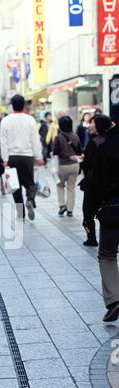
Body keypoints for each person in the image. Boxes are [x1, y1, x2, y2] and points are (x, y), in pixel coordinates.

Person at [92, 104, 119, 323]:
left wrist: (89, 214)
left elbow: (97, 184)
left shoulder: (106, 147)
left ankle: (114, 299)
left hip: (112, 209)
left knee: (108, 255)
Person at [0, 95, 44, 221]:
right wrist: (39, 157)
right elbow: (35, 140)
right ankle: (30, 200)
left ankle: (21, 213)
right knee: (30, 182)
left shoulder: (5, 121)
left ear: (11, 105)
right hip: (27, 156)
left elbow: (3, 142)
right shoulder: (30, 120)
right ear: (24, 105)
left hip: (12, 157)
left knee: (15, 185)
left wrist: (5, 159)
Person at [80, 114, 112, 247]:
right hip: (110, 185)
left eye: (92, 122)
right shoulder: (111, 140)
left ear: (98, 125)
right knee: (108, 213)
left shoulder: (94, 143)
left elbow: (86, 165)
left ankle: (91, 238)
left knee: (88, 215)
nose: (90, 125)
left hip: (93, 185)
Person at [54, 116, 82, 217]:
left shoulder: (58, 137)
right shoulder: (76, 136)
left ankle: (62, 205)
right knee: (71, 187)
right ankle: (70, 210)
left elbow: (55, 152)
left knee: (60, 185)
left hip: (63, 165)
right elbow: (79, 150)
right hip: (75, 165)